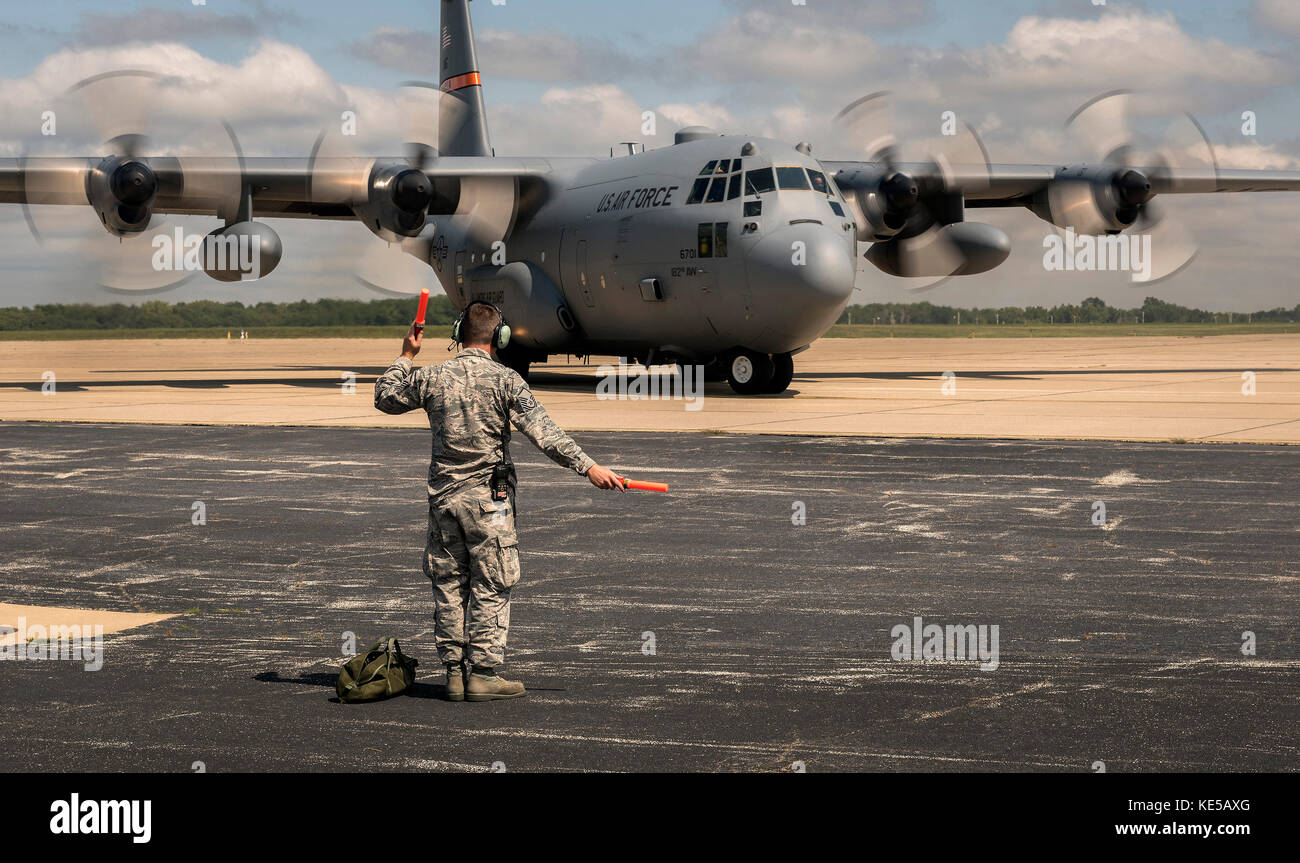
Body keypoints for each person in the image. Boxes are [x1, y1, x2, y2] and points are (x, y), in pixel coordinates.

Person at [374, 301, 624, 702]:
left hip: (444, 503)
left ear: (459, 334)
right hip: (490, 505)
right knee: (493, 583)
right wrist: (589, 467)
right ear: (499, 336)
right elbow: (545, 434)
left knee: (449, 584)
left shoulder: (433, 376)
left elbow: (385, 396)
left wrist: (407, 355)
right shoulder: (506, 380)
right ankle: (484, 674)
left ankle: (453, 674)